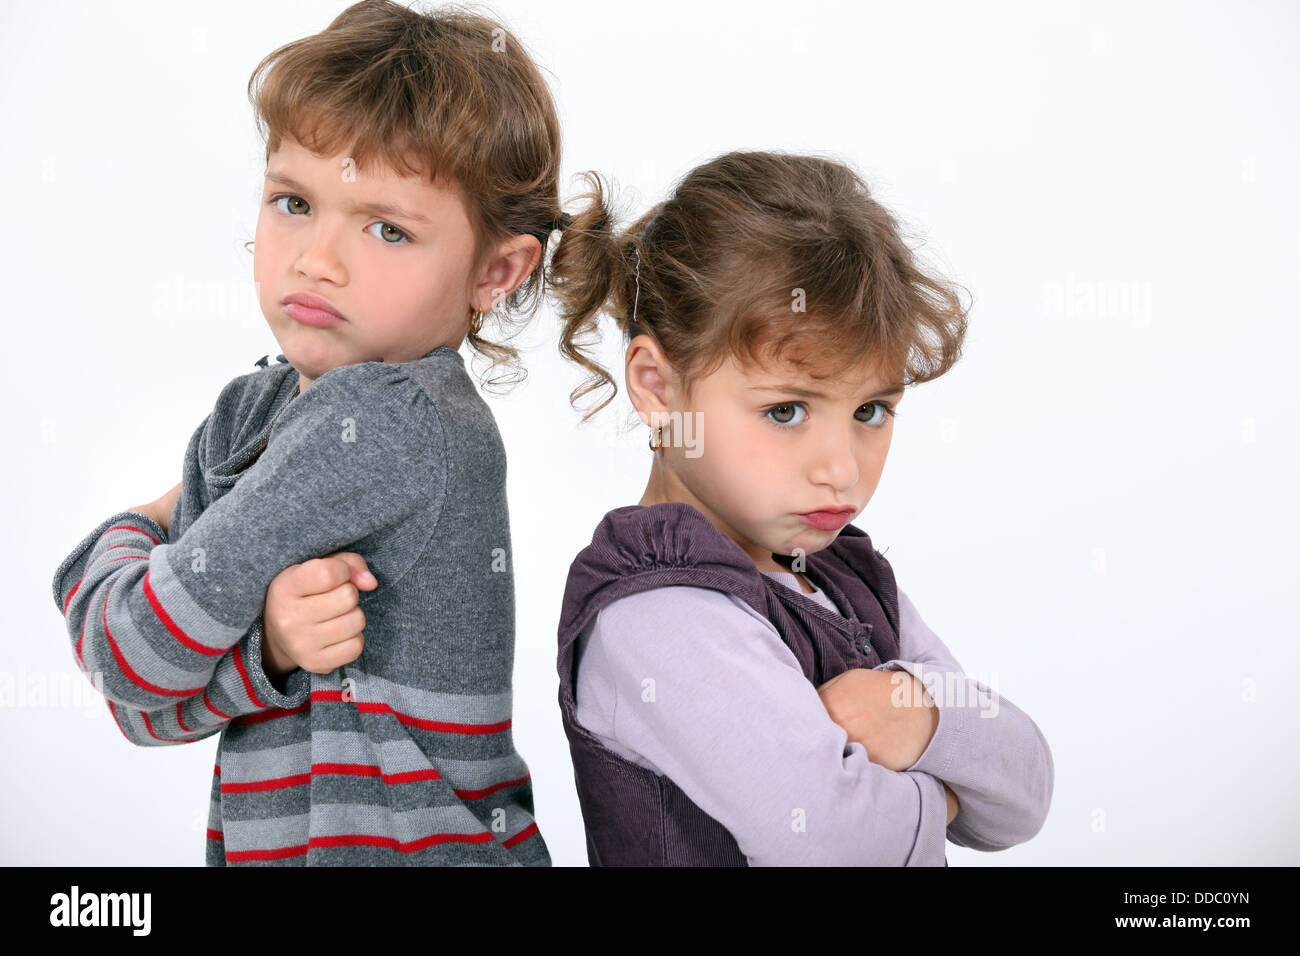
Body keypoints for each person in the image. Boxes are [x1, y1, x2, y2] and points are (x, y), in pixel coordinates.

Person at [50, 0, 564, 866]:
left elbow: (125, 655)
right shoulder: (258, 409)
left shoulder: (382, 418)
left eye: (387, 227)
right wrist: (269, 657)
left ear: (496, 270)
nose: (317, 258)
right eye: (294, 201)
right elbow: (140, 705)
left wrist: (129, 533)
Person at [547, 151, 1054, 865]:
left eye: (871, 410)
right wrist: (942, 791)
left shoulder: (839, 572)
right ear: (659, 388)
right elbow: (833, 839)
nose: (841, 468)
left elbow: (1024, 795)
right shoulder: (657, 613)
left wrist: (920, 717)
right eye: (786, 410)